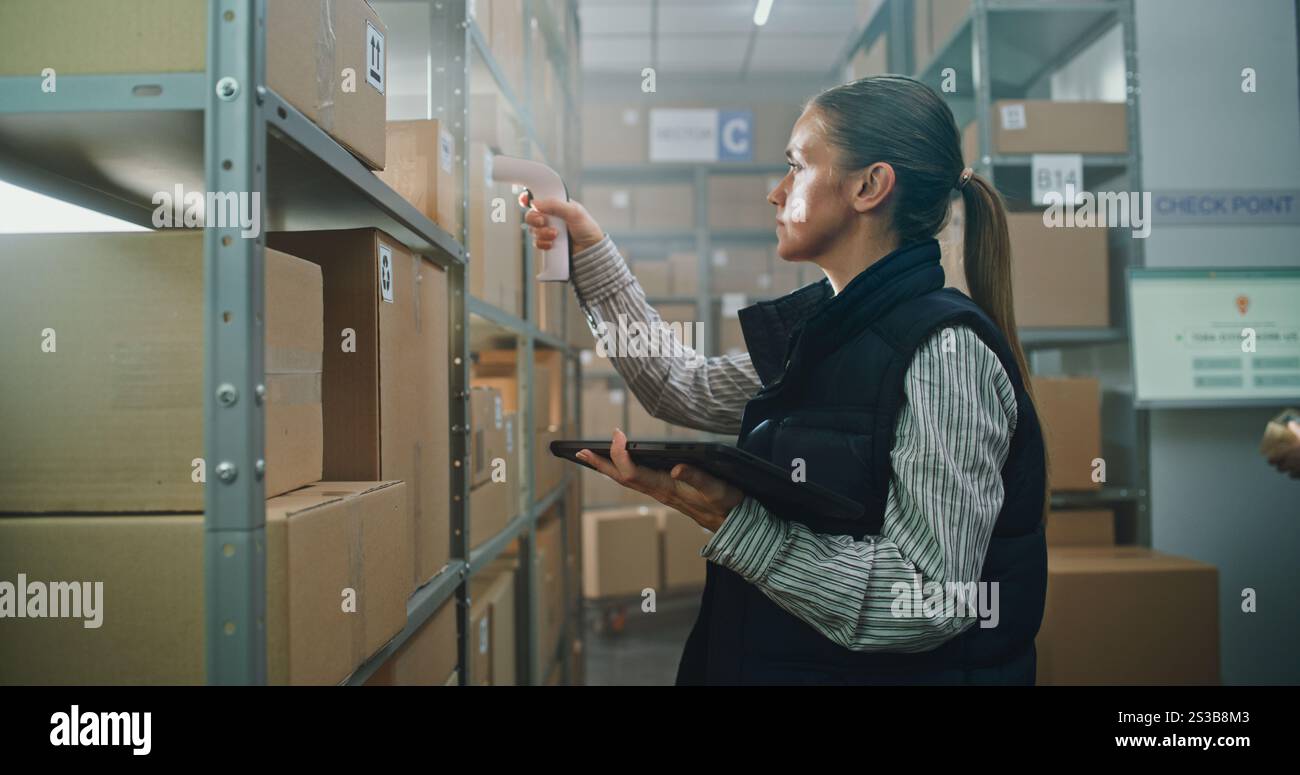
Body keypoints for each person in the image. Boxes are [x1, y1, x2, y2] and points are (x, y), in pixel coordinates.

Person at [523, 75, 1048, 685]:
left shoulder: (944, 353)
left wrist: (740, 526)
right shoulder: (827, 336)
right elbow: (680, 385)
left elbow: (929, 598)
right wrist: (589, 248)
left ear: (869, 186)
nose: (776, 194)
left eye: (796, 167)